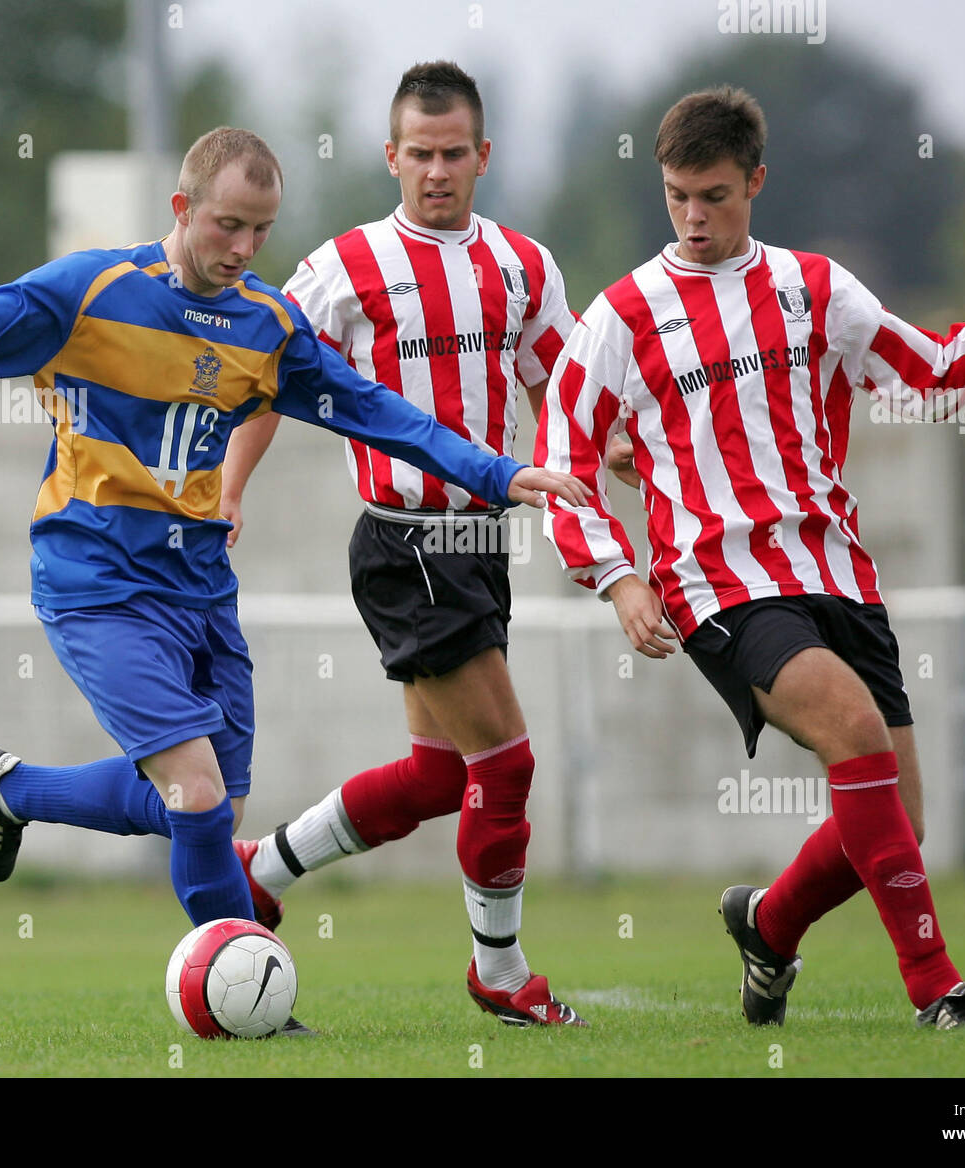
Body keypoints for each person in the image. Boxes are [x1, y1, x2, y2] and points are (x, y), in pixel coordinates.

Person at [0, 128, 585, 977]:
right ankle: (245, 1004)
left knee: (210, 802)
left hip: (201, 586)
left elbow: (379, 412)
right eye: (227, 226)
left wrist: (499, 471)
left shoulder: (267, 324)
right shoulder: (91, 290)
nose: (244, 248)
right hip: (96, 580)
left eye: (261, 230)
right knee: (202, 798)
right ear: (181, 210)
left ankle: (17, 790)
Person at [536, 85, 965, 1029]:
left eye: (713, 194)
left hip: (834, 572)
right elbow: (562, 458)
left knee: (899, 825)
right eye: (677, 195)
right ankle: (938, 993)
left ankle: (769, 924)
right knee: (855, 731)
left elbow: (929, 386)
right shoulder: (623, 315)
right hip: (716, 584)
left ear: (756, 182)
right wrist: (619, 576)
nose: (693, 215)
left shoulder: (816, 289)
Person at [223, 62, 586, 1027]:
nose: (436, 170)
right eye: (418, 154)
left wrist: (628, 460)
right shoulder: (343, 267)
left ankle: (260, 872)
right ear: (391, 157)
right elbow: (268, 375)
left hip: (483, 546)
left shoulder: (524, 265)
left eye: (453, 153)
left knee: (439, 776)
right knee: (506, 766)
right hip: (406, 544)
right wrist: (230, 490)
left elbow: (571, 390)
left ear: (482, 156)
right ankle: (500, 977)